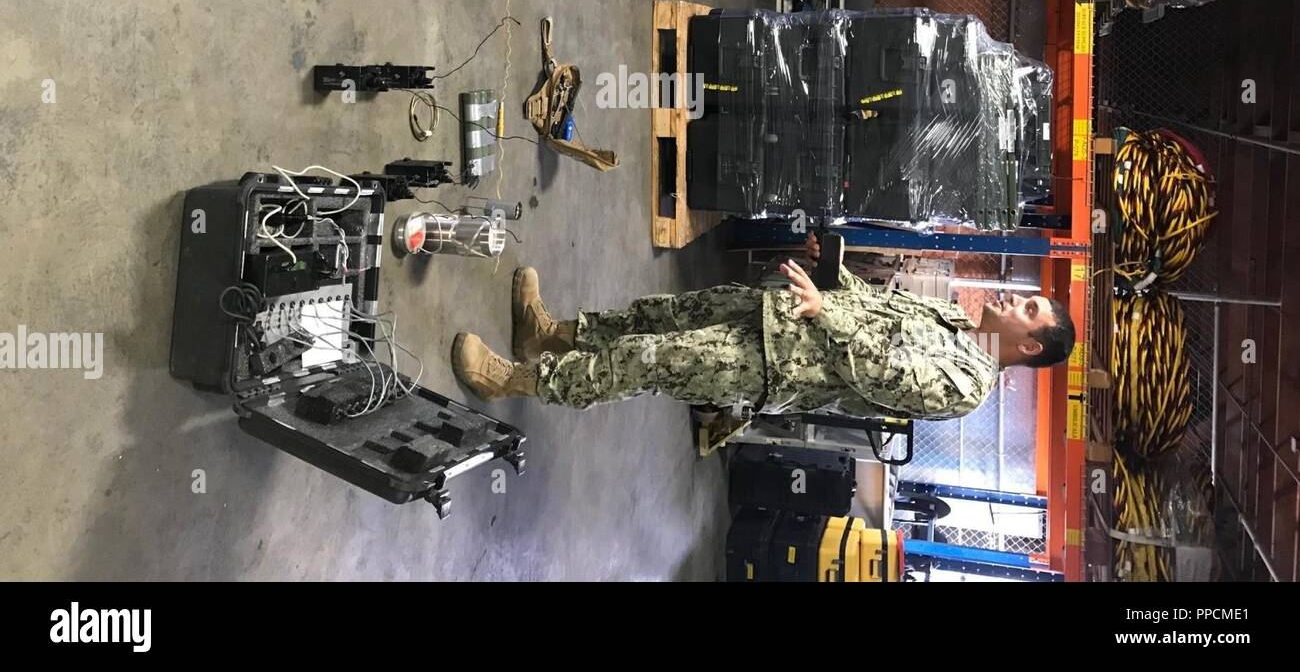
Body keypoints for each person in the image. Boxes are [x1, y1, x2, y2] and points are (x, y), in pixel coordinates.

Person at [451, 234, 1075, 418]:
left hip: (774, 364)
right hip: (780, 314)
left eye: (1029, 311)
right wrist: (834, 271)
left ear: (1026, 346)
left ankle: (516, 381)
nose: (1017, 299)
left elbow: (887, 377)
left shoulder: (967, 383)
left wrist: (826, 312)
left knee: (650, 359)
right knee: (659, 316)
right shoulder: (950, 318)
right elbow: (873, 308)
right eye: (1028, 297)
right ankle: (550, 333)